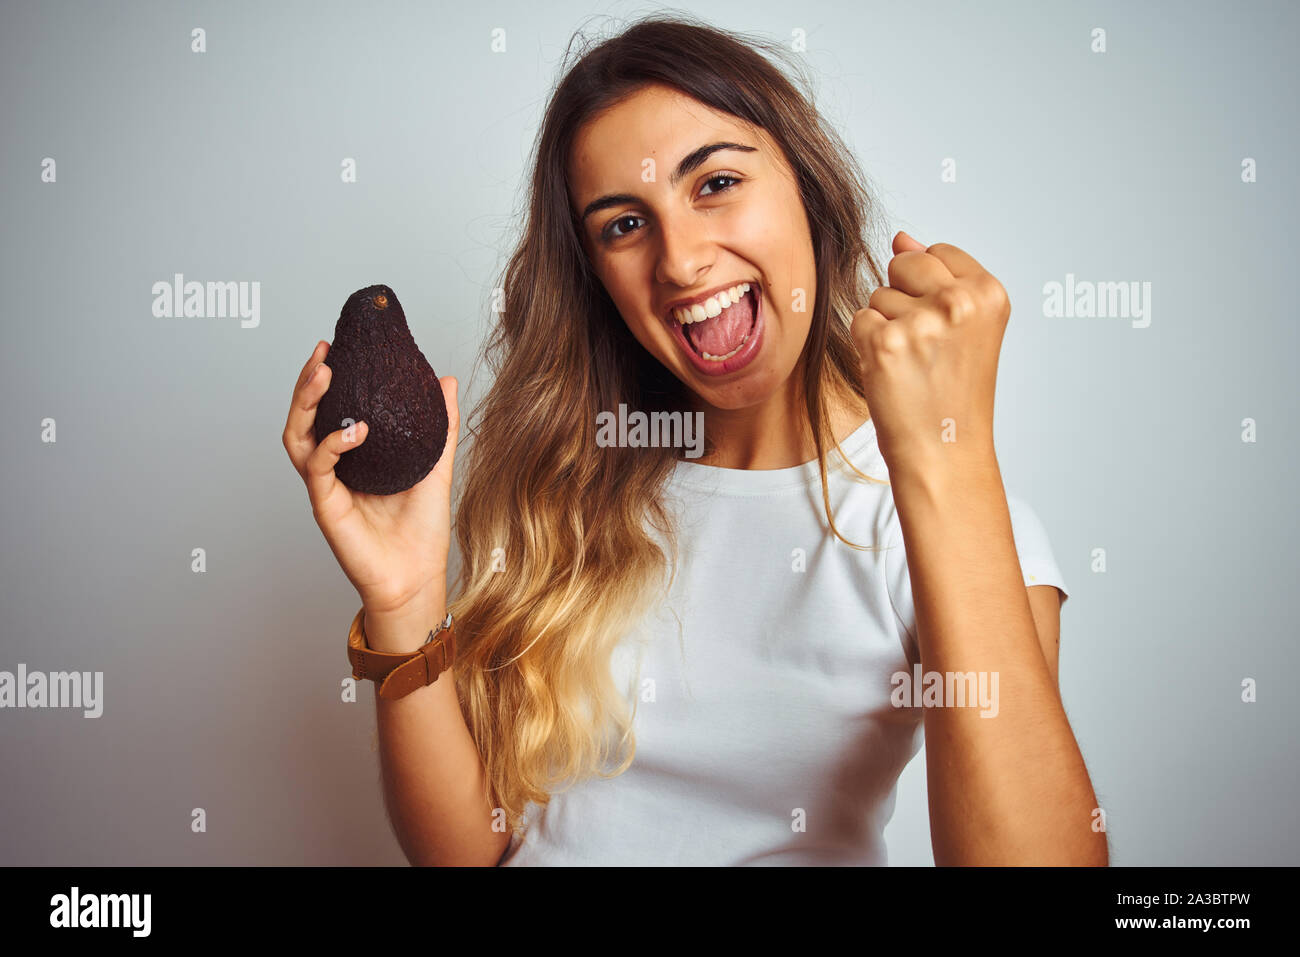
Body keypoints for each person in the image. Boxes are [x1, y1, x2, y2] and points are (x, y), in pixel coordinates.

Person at [282, 14, 1106, 866]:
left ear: (808, 190)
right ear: (596, 276)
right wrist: (404, 599)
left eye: (714, 183)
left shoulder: (935, 511)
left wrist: (948, 452)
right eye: (624, 224)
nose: (679, 260)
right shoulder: (569, 479)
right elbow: (472, 853)